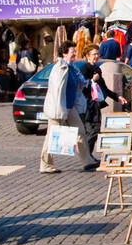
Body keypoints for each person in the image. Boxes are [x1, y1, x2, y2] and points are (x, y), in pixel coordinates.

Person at [40, 41, 98, 174]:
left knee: (80, 132)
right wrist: (60, 110)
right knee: (51, 137)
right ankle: (45, 164)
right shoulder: (60, 67)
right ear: (64, 53)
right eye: (72, 51)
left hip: (70, 107)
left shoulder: (72, 68)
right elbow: (57, 90)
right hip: (58, 108)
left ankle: (87, 161)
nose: (75, 54)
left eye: (75, 51)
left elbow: (79, 85)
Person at [77, 47, 124, 156]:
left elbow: (104, 88)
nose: (96, 56)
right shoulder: (84, 69)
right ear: (87, 56)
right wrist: (92, 80)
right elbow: (81, 87)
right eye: (93, 54)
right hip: (87, 105)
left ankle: (88, 155)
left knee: (96, 129)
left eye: (97, 54)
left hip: (96, 105)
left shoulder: (98, 69)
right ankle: (86, 156)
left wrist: (117, 97)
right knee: (91, 130)